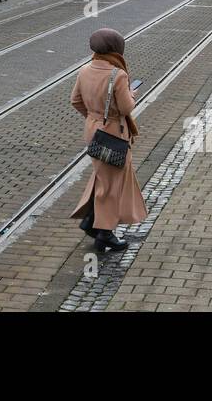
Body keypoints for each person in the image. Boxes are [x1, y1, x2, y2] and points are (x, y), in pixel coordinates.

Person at [70, 28, 147, 254]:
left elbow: (75, 100)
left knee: (104, 179)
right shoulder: (117, 75)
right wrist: (131, 95)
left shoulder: (84, 70)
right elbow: (125, 108)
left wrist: (93, 118)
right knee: (110, 185)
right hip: (113, 132)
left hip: (93, 130)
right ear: (116, 49)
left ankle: (92, 222)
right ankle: (104, 233)